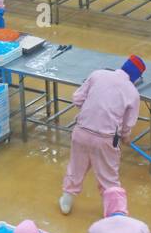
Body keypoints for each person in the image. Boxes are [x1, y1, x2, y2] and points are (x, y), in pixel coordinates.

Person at [59, 55, 143, 215]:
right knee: (109, 177)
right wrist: (125, 136)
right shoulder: (132, 93)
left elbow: (77, 98)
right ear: (136, 78)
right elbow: (127, 124)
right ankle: (114, 213)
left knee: (76, 168)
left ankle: (66, 201)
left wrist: (91, 113)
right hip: (105, 139)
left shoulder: (98, 74)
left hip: (81, 132)